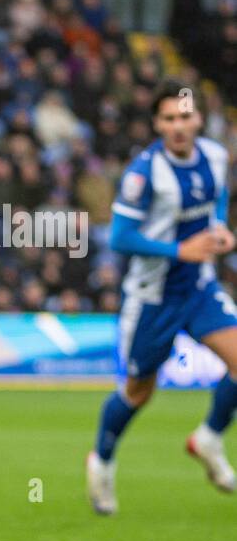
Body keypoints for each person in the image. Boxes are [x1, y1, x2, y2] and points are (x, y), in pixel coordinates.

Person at [87, 80, 237, 514]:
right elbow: (120, 237)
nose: (178, 126)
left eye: (185, 117)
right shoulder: (143, 173)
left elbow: (218, 198)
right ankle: (102, 461)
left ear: (199, 119)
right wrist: (179, 250)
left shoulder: (214, 155)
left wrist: (220, 227)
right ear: (156, 123)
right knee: (138, 392)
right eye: (168, 118)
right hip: (152, 298)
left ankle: (207, 439)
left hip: (199, 287)